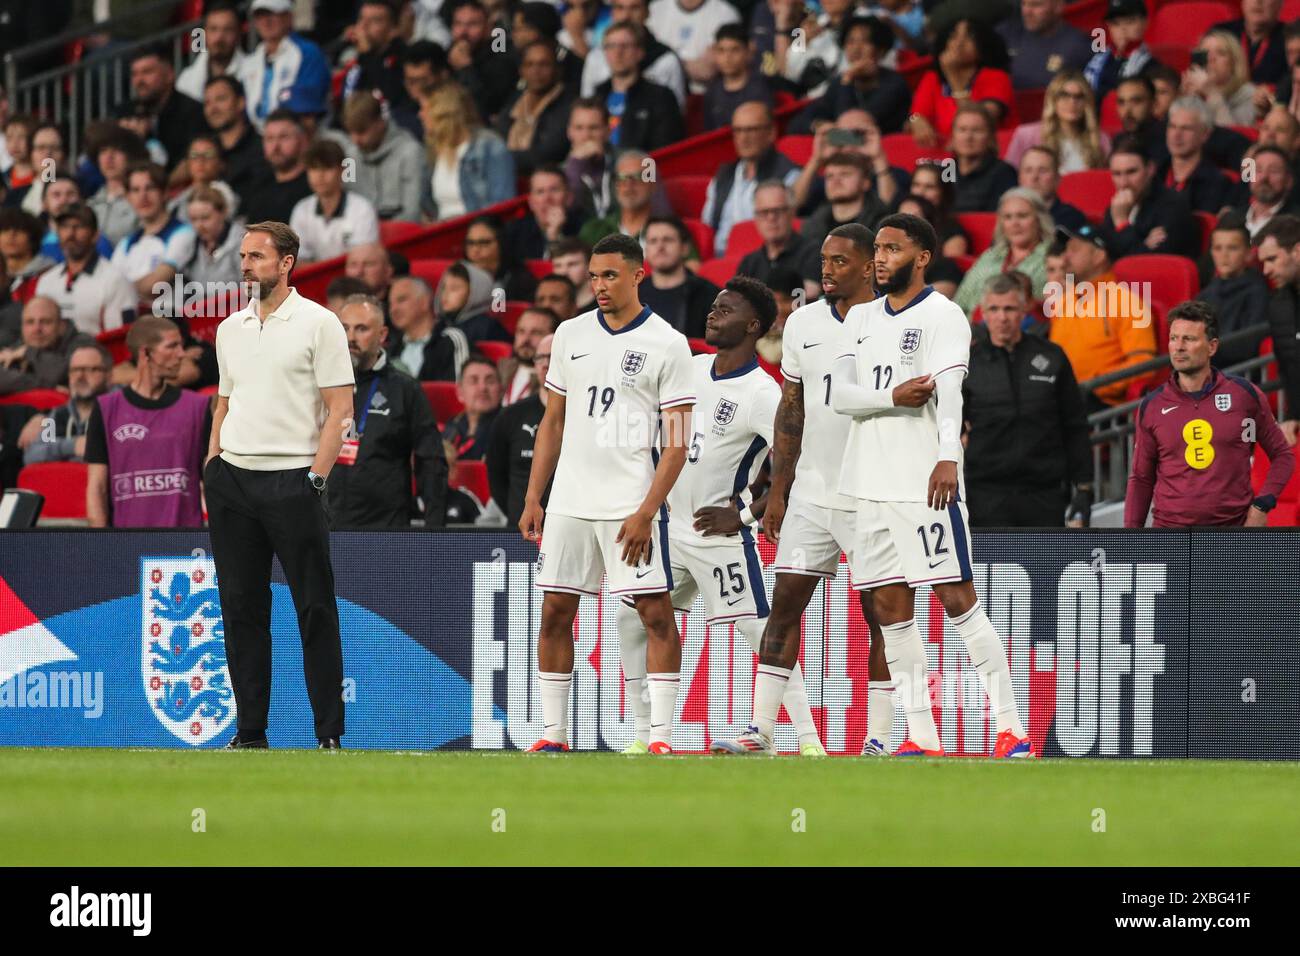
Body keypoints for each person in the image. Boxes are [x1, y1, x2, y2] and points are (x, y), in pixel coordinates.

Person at [827, 212, 1033, 758]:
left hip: (923, 483)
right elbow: (840, 398)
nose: (880, 259)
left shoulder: (944, 315)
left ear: (921, 257)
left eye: (892, 249)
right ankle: (921, 734)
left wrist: (948, 457)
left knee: (958, 600)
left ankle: (1012, 727)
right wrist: (893, 396)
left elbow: (951, 394)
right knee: (891, 613)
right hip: (867, 484)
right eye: (877, 249)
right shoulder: (860, 319)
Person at [710, 224, 893, 757]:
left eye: (840, 262)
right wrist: (781, 490)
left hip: (870, 491)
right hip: (811, 491)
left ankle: (879, 737)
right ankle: (760, 731)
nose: (827, 270)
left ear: (867, 268)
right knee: (785, 607)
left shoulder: (890, 321)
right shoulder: (804, 323)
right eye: (825, 261)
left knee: (880, 613)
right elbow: (792, 408)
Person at [623, 275, 825, 753]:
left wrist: (747, 516)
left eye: (726, 309)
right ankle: (649, 738)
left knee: (761, 631)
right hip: (669, 529)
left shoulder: (762, 392)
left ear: (753, 326)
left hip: (718, 538)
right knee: (631, 619)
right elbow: (668, 445)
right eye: (713, 306)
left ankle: (808, 741)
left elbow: (799, 457)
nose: (713, 314)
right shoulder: (689, 370)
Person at [519, 233, 696, 753]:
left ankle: (660, 737)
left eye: (610, 275)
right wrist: (536, 496)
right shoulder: (570, 334)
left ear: (639, 275)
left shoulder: (668, 342)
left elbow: (678, 442)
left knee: (655, 614)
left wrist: (647, 511)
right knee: (554, 612)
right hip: (571, 501)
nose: (599, 285)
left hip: (629, 505)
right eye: (594, 276)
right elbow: (553, 420)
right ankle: (554, 735)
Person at [205, 219, 354, 750]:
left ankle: (329, 735)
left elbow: (341, 411)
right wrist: (212, 462)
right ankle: (250, 733)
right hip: (233, 483)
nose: (245, 266)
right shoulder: (228, 329)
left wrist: (315, 477)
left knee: (314, 607)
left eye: (256, 257)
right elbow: (224, 402)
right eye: (243, 257)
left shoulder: (320, 323)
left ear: (286, 262)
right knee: (241, 609)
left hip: (294, 479)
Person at [1125, 300, 1295, 527]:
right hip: (1170, 537)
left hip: (1231, 536)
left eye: (1189, 339)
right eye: (1174, 338)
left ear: (1212, 347)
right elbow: (1141, 479)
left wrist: (1262, 505)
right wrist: (1129, 538)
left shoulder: (1244, 395)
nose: (1179, 347)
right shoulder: (1153, 406)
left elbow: (1283, 456)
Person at [963, 272, 1092, 526]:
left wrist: (1085, 488)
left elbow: (1075, 425)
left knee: (1046, 565)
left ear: (1024, 311)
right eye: (994, 309)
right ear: (983, 314)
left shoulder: (1052, 356)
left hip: (1045, 492)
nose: (1002, 317)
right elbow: (948, 429)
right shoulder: (968, 364)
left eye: (1010, 308)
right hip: (985, 493)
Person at [328, 294, 448, 529]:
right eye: (344, 328)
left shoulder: (405, 389)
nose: (350, 338)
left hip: (384, 530)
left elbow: (431, 461)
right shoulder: (318, 384)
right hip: (322, 529)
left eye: (361, 329)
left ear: (382, 335)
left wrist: (434, 528)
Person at [83, 315, 210, 529]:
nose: (181, 354)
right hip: (127, 544)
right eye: (172, 346)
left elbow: (212, 483)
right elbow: (97, 486)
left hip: (183, 548)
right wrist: (101, 546)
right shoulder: (106, 409)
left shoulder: (198, 407)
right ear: (145, 353)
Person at [1047, 222, 1158, 409]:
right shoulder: (1063, 301)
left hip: (1097, 403)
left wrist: (1095, 386)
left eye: (1074, 250)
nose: (1065, 256)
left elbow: (1143, 363)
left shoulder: (1126, 302)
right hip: (1059, 397)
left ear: (1098, 256)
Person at [703, 101, 800, 258]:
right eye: (738, 130)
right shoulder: (723, 176)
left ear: (771, 133)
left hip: (760, 259)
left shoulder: (788, 174)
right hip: (719, 259)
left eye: (751, 130)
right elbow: (706, 228)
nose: (743, 138)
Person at [789, 14, 912, 135]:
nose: (856, 49)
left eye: (865, 41)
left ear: (880, 50)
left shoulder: (893, 83)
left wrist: (848, 78)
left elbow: (854, 128)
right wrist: (818, 126)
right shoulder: (839, 83)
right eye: (850, 42)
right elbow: (796, 124)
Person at [34, 204, 138, 336]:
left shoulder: (115, 280)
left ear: (95, 235)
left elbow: (120, 339)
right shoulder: (46, 280)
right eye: (65, 227)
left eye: (79, 226)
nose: (71, 233)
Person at [908, 17, 1014, 146]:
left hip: (988, 152)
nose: (959, 43)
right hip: (943, 155)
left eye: (969, 38)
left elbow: (976, 122)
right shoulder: (933, 78)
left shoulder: (997, 77)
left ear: (983, 45)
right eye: (953, 37)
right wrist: (916, 121)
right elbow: (916, 114)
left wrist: (953, 76)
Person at [421, 83, 517, 222]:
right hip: (443, 231)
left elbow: (502, 206)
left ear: (442, 114)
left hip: (477, 233)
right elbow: (428, 203)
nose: (420, 115)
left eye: (424, 109)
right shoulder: (434, 150)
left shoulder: (490, 147)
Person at [486, 331, 553, 527]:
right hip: (521, 532)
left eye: (553, 357)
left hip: (570, 531)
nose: (546, 364)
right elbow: (496, 478)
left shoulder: (585, 415)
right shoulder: (510, 416)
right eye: (540, 357)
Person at [1098, 135, 1200, 258]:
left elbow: (1148, 266)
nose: (1123, 183)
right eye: (1117, 174)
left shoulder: (1173, 206)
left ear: (1150, 169)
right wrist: (1144, 246)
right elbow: (1103, 256)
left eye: (1131, 172)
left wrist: (1122, 224)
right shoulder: (1116, 207)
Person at [954, 187, 1051, 315]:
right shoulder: (989, 256)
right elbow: (960, 302)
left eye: (1022, 216)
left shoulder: (1052, 258)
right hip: (970, 330)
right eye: (1008, 217)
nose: (1014, 223)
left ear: (1039, 219)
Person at [593, 22, 686, 153]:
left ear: (640, 52)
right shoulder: (598, 95)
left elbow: (666, 149)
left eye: (625, 46)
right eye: (611, 46)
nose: (618, 52)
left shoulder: (661, 97)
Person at [239, 0, 331, 132]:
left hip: (297, 135)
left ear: (288, 17)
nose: (266, 21)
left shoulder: (307, 53)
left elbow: (308, 112)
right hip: (257, 137)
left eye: (272, 14)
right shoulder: (250, 62)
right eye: (260, 16)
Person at [112, 163, 197, 301]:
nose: (143, 196)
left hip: (170, 319)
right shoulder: (125, 243)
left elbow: (154, 285)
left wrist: (121, 291)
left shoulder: (184, 232)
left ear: (164, 193)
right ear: (128, 197)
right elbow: (110, 287)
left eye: (150, 188)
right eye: (135, 190)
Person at [580, 0, 687, 107]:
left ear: (647, 12)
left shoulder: (666, 60)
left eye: (634, 8)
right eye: (620, 8)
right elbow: (587, 107)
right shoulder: (595, 58)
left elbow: (676, 111)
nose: (626, 16)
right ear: (612, 12)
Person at [16, 342, 110, 464]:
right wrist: (73, 445)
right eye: (75, 370)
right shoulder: (58, 414)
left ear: (108, 375)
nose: (80, 376)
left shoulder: (117, 410)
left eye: (89, 369)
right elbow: (32, 455)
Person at [340, 91, 426, 223]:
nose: (355, 139)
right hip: (360, 234)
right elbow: (347, 203)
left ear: (380, 122)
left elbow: (412, 212)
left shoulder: (410, 152)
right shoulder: (349, 159)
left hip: (402, 233)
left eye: (361, 131)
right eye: (351, 132)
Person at [1197, 216, 1271, 369]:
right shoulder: (1205, 294)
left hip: (1237, 375)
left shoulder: (1258, 292)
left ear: (1249, 253)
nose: (1224, 255)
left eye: (1232, 248)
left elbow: (1248, 346)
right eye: (1218, 248)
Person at [289, 140, 380, 264]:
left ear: (342, 170)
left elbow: (362, 262)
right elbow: (299, 261)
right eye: (314, 168)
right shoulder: (301, 209)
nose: (320, 175)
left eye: (327, 168)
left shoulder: (362, 209)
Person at [495, 40, 575, 179]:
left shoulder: (568, 104)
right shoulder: (514, 101)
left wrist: (501, 159)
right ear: (521, 70)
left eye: (543, 64)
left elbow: (549, 153)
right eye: (529, 64)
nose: (536, 71)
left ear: (557, 69)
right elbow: (498, 137)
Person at [1005, 70, 1111, 174]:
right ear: (1053, 100)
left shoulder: (1100, 140)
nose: (1072, 102)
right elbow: (1009, 178)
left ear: (1087, 102)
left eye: (1079, 97)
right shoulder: (1025, 136)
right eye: (1064, 95)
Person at [1254, 213, 1300, 444]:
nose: (1266, 270)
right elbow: (1290, 371)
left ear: (1298, 252)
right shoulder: (1278, 307)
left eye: (1272, 259)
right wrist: (1293, 416)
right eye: (1263, 262)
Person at [127, 45, 209, 173]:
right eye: (135, 74)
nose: (139, 80)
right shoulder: (127, 112)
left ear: (169, 75)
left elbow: (191, 162)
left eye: (147, 72)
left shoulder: (192, 112)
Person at [735, 181, 821, 300]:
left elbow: (806, 297)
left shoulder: (813, 252)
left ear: (792, 212)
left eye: (778, 211)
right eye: (764, 212)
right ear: (755, 217)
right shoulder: (749, 263)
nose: (771, 218)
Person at [639, 217, 720, 337]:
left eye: (668, 240)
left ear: (685, 248)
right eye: (653, 241)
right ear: (646, 250)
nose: (660, 247)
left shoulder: (711, 296)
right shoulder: (634, 295)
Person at [577, 150, 673, 250]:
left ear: (653, 184)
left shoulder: (670, 231)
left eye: (637, 177)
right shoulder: (595, 230)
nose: (628, 185)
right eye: (621, 178)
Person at [445, 0, 521, 124]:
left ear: (488, 27)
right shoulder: (448, 53)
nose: (463, 32)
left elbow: (486, 107)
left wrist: (466, 69)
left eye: (472, 24)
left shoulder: (502, 54)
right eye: (458, 24)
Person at [203, 76, 273, 208]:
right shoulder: (206, 148)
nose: (213, 109)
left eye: (221, 99)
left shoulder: (262, 148)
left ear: (241, 102)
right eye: (207, 103)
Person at [0, 296, 95, 394]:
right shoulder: (19, 345)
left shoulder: (83, 343)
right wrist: (44, 386)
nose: (37, 329)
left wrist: (29, 352)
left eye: (45, 322)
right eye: (30, 322)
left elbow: (64, 372)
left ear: (61, 326)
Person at [385, 275, 471, 381]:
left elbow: (460, 391)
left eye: (402, 300)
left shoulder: (451, 340)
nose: (393, 309)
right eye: (390, 304)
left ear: (424, 302)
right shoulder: (391, 349)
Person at [1160, 97, 1237, 216]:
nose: (1176, 135)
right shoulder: (1154, 174)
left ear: (1205, 134)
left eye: (1186, 128)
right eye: (1172, 126)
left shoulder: (1218, 184)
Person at [647, 0, 742, 94]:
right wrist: (688, 64)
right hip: (654, 94)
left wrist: (666, 62)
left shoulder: (725, 14)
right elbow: (639, 59)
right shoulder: (655, 9)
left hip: (702, 97)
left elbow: (706, 70)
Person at [996, 0, 1094, 90]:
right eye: (1023, 4)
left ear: (1058, 6)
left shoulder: (1078, 46)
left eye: (1036, 5)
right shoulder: (1005, 35)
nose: (1026, 11)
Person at [237, 109, 312, 225]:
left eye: (284, 137)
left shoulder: (314, 185)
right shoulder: (258, 185)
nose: (275, 146)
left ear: (303, 141)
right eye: (270, 138)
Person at [799, 153, 888, 250]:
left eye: (845, 174)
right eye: (830, 176)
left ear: (865, 183)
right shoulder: (812, 226)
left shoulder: (881, 227)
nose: (836, 181)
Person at [340, 0, 412, 115]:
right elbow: (347, 101)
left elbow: (388, 102)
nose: (363, 26)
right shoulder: (354, 55)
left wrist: (366, 55)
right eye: (361, 19)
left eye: (375, 21)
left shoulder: (404, 58)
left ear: (393, 30)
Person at [702, 23, 774, 132]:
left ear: (748, 51)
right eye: (721, 50)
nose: (727, 57)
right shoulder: (712, 91)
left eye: (735, 50)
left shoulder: (760, 88)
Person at [950, 103, 1018, 213]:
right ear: (953, 134)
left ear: (990, 137)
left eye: (976, 130)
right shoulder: (945, 170)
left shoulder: (1004, 172)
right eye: (962, 130)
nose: (968, 137)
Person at [505, 166, 583, 262]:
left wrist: (554, 236)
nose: (547, 198)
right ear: (531, 202)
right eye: (540, 192)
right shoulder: (514, 232)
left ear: (569, 198)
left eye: (554, 190)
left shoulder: (583, 228)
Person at [176, 2, 249, 103]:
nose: (219, 37)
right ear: (204, 33)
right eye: (213, 29)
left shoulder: (252, 72)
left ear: (238, 34)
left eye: (227, 30)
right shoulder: (186, 79)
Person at [1183, 29, 1258, 128]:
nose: (1211, 58)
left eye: (1221, 53)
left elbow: (1234, 136)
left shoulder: (1249, 94)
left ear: (1234, 63)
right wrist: (1186, 97)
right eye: (1205, 52)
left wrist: (1211, 93)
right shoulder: (1194, 93)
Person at [1083, 0, 1155, 100]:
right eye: (1115, 23)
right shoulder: (1097, 60)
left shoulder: (1153, 62)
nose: (1122, 29)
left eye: (1130, 21)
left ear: (1145, 23)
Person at [442, 356, 503, 464]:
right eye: (473, 381)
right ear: (460, 392)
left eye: (490, 381)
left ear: (501, 390)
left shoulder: (509, 427)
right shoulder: (453, 425)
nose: (483, 387)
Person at [1212, 0, 1289, 86]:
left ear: (1280, 3)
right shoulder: (1220, 34)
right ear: (1243, 3)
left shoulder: (1291, 40)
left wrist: (1273, 90)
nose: (1257, 2)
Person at [433, 262, 511, 345]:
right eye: (444, 287)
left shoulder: (487, 328)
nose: (445, 294)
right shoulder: (441, 324)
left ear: (474, 293)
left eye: (454, 288)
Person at [169, 134, 239, 224]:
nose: (200, 160)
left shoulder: (228, 198)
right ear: (187, 162)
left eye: (208, 155)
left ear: (221, 163)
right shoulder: (178, 200)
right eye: (194, 155)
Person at [464, 216, 537, 302]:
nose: (475, 250)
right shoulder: (460, 277)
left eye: (484, 242)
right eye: (470, 243)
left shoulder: (522, 283)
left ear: (501, 243)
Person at [905, 160, 970, 259]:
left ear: (943, 192)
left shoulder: (953, 235)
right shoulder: (898, 220)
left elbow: (947, 272)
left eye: (929, 187)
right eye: (916, 185)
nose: (920, 193)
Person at [184, 186, 244, 288]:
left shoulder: (243, 242)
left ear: (223, 212)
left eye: (205, 218)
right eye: (193, 219)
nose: (199, 226)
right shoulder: (190, 242)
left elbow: (251, 292)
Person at [1018, 145, 1088, 232]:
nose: (1034, 177)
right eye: (1028, 170)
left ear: (1057, 178)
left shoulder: (1072, 218)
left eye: (1042, 171)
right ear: (1019, 178)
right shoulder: (1009, 220)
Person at [498, 306, 559, 405]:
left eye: (536, 333)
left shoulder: (555, 381)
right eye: (521, 331)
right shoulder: (499, 370)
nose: (526, 339)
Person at [1241, 144, 1300, 236]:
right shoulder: (1231, 219)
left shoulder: (1297, 221)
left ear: (1289, 180)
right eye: (1258, 170)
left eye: (1273, 171)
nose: (1264, 177)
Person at [0, 207, 54, 299]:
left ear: (33, 238)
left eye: (20, 230)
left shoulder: (49, 275)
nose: (11, 235)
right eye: (5, 230)